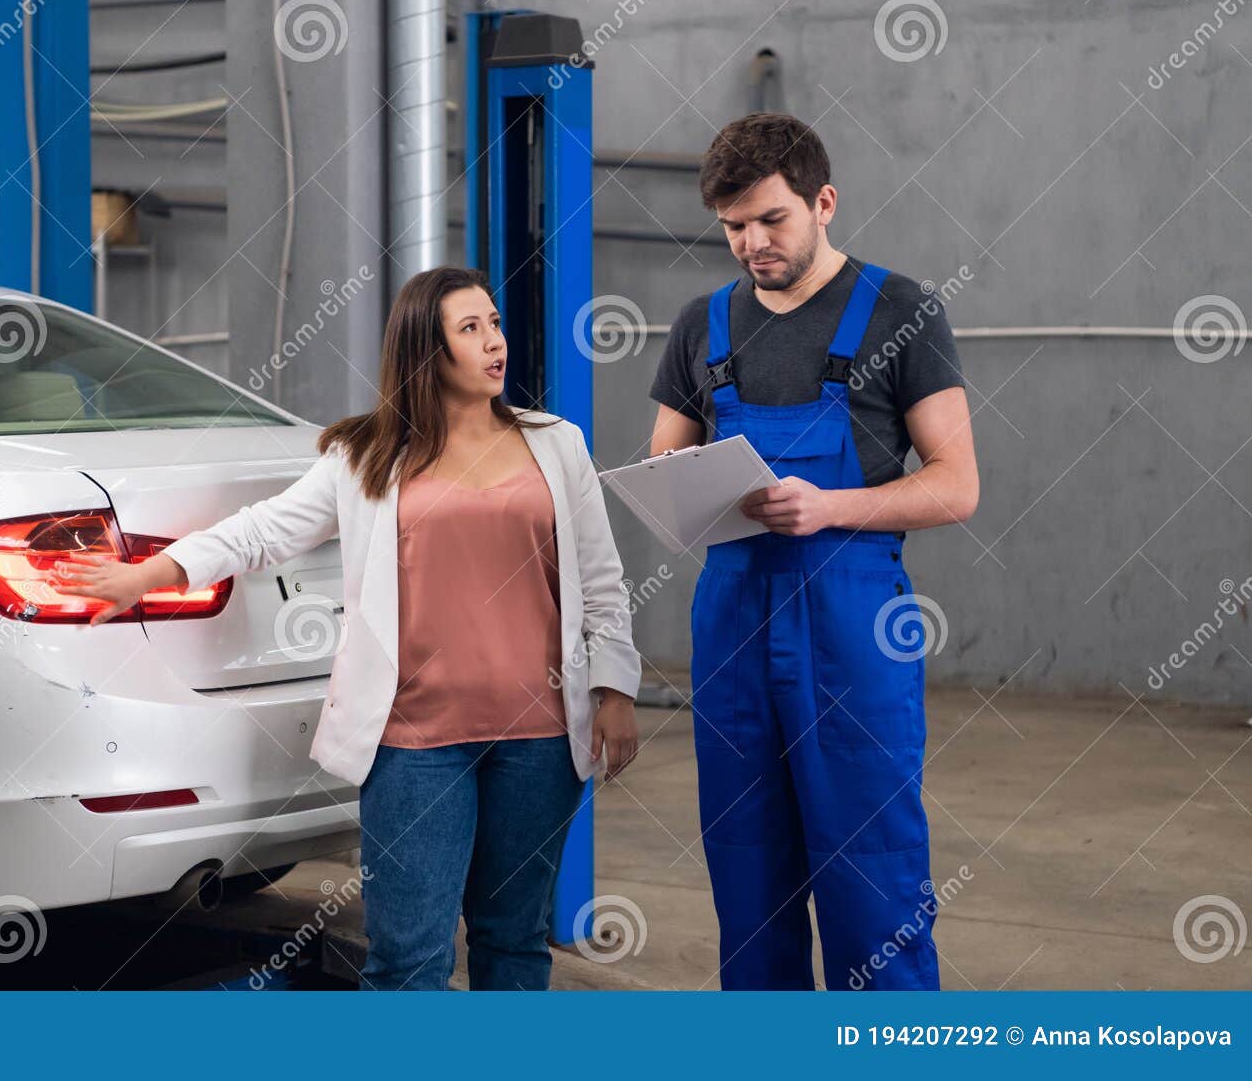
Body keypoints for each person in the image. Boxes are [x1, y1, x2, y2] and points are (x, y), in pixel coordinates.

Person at [52, 264, 642, 990]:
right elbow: (257, 532)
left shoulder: (556, 444)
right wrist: (152, 572)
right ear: (428, 350)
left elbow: (602, 576)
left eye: (494, 323)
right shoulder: (365, 456)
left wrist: (615, 688)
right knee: (408, 958)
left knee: (514, 941)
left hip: (541, 739)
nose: (495, 342)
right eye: (470, 328)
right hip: (414, 744)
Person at [648, 112, 980, 990]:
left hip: (851, 619)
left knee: (872, 869)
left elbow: (956, 483)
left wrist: (831, 506)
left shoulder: (900, 311)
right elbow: (661, 460)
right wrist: (686, 485)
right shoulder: (701, 323)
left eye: (771, 220)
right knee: (747, 870)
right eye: (733, 228)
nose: (752, 243)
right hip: (731, 618)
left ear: (823, 202)